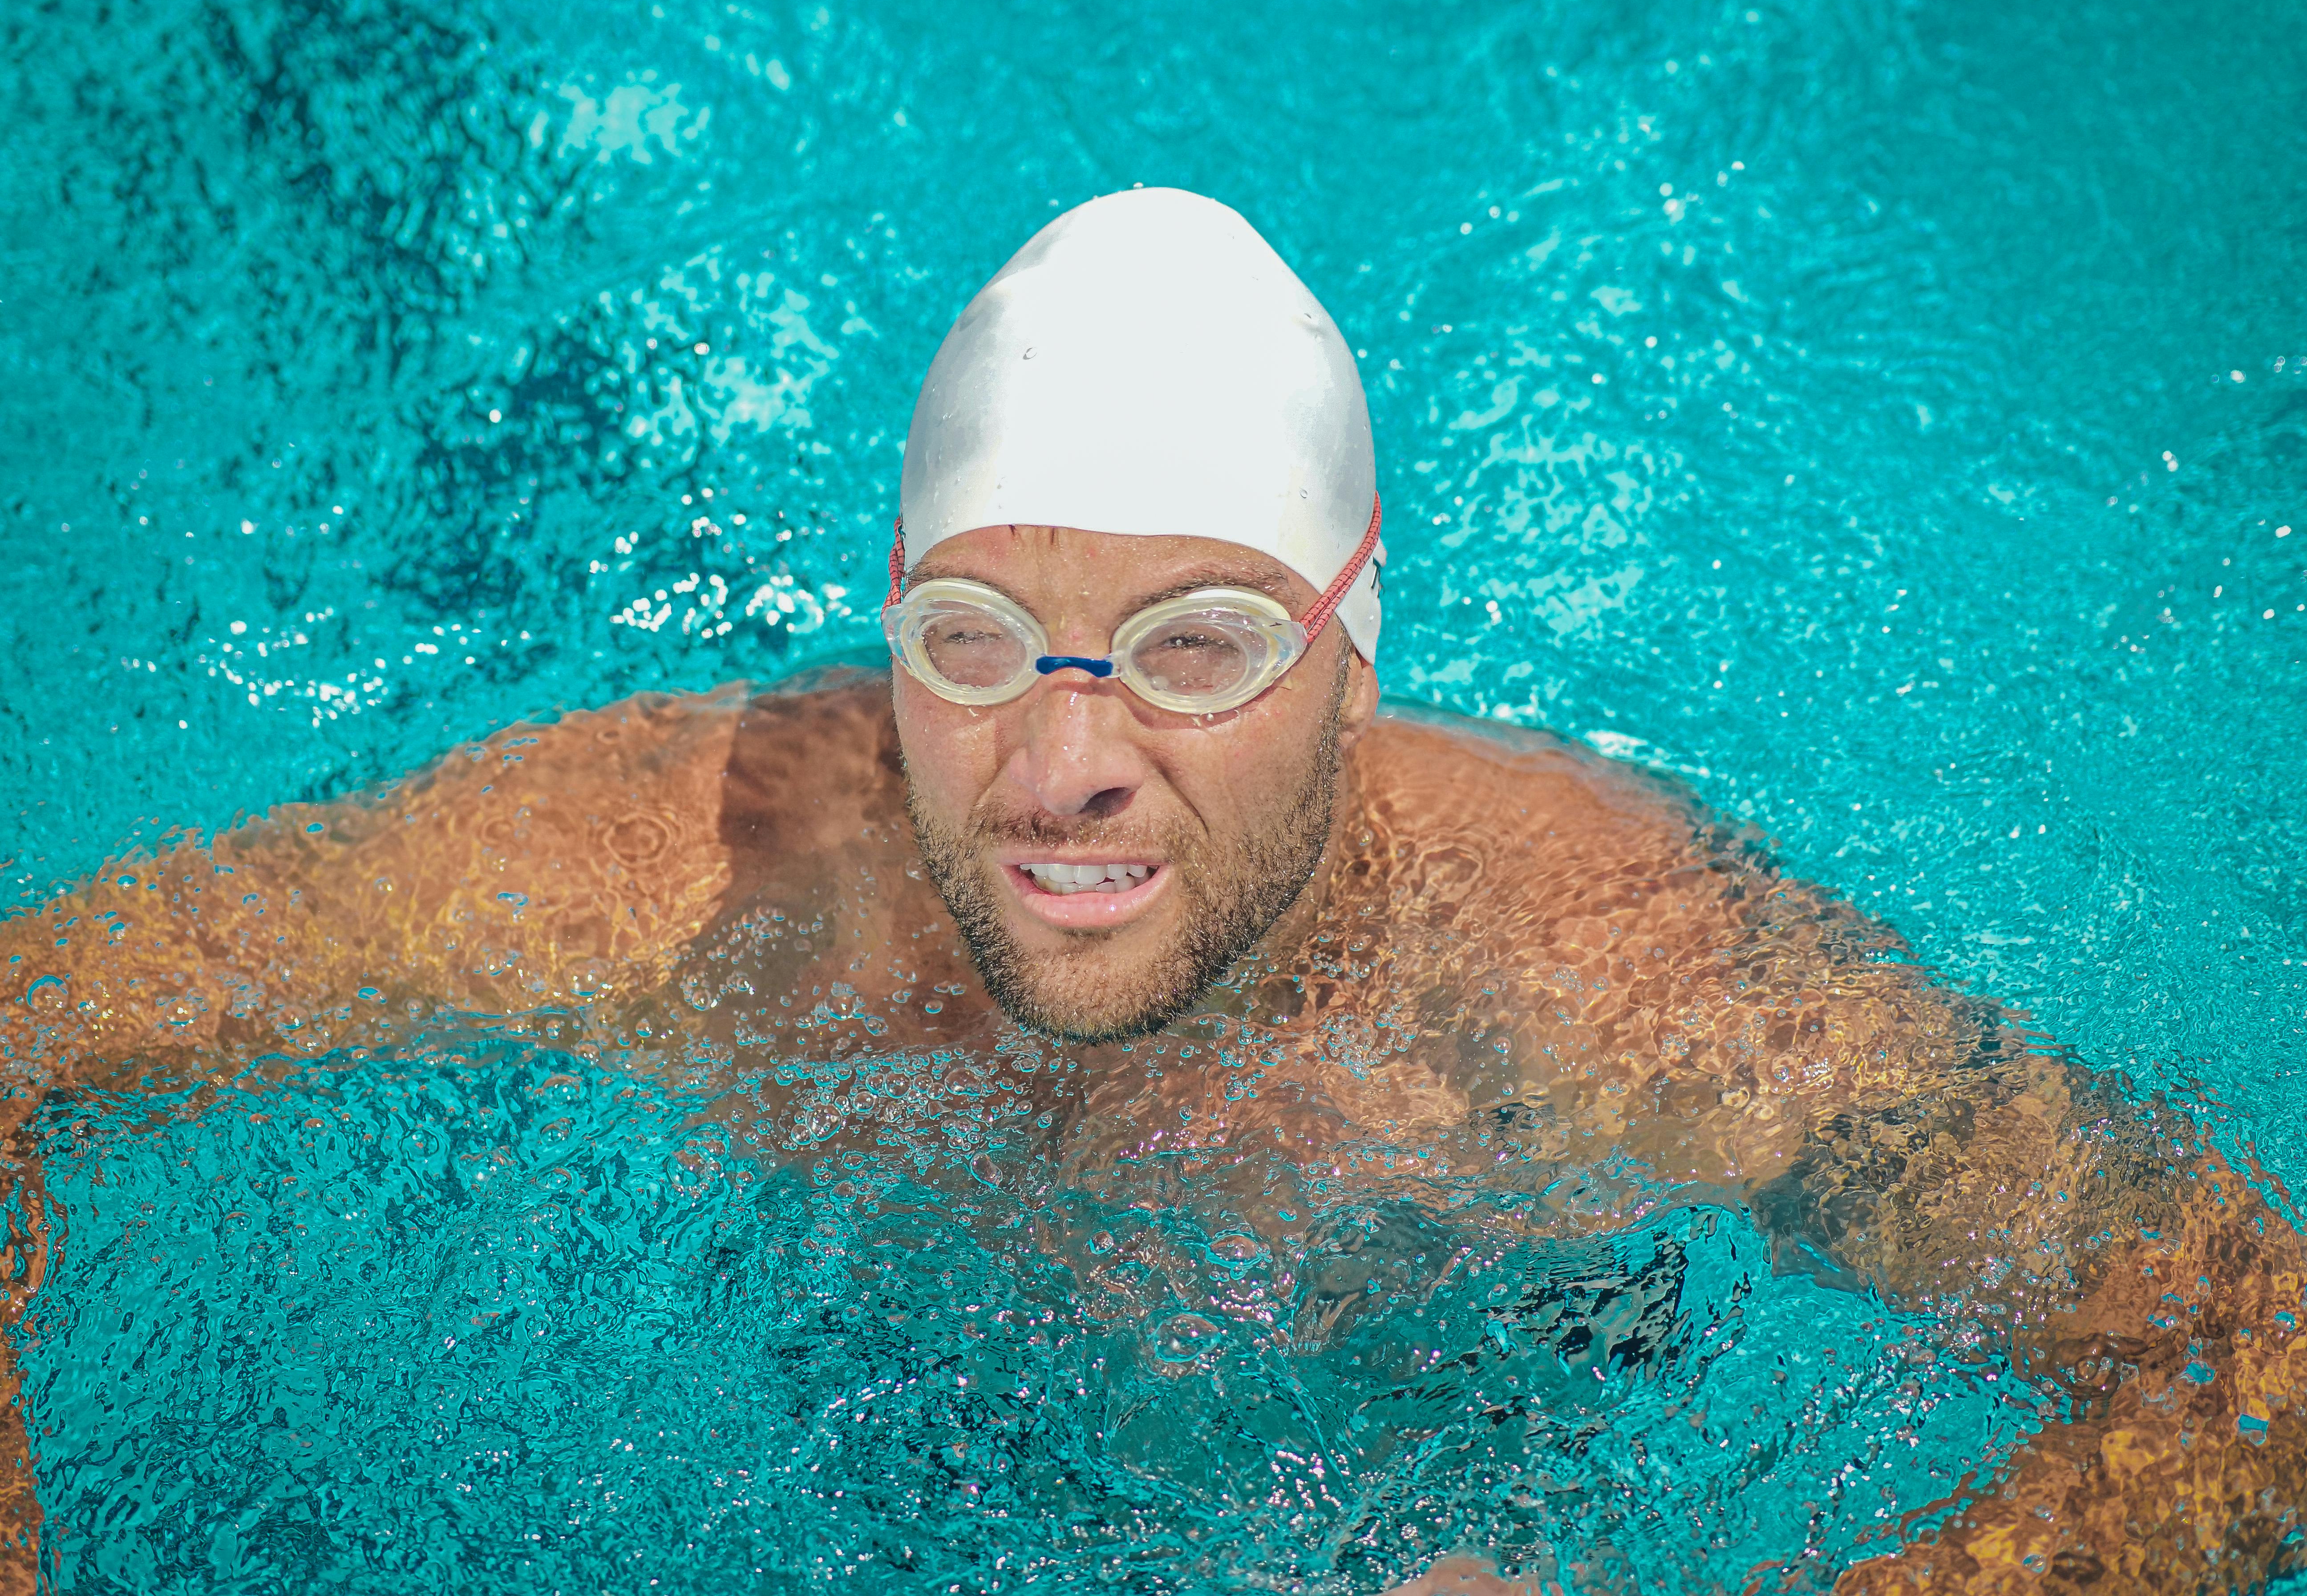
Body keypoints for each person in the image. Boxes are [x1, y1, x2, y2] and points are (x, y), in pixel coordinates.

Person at [1, 188, 2300, 1594]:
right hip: (903, 1393)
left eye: (1199, 648)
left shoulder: (1622, 970)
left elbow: (2256, 1358)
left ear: (1350, 653)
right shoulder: (673, 853)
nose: (1064, 765)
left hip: (1488, 1401)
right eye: (971, 646)